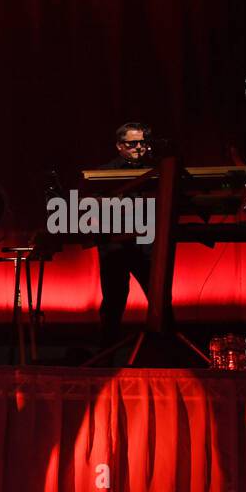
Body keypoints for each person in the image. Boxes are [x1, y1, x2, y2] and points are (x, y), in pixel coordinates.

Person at [97, 121, 155, 347]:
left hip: (146, 246)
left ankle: (165, 357)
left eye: (142, 143)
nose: (139, 147)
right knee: (113, 303)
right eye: (132, 143)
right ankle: (106, 359)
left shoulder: (157, 170)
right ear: (120, 146)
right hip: (116, 247)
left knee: (160, 301)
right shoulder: (103, 173)